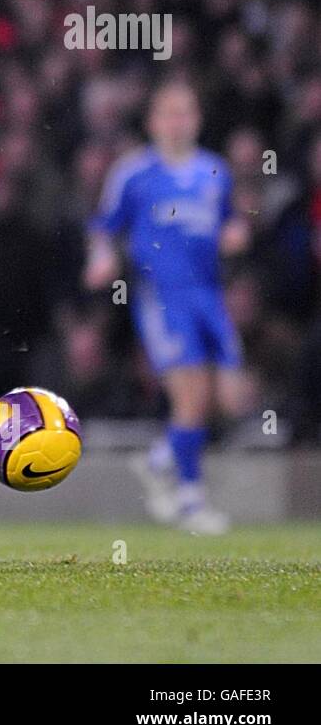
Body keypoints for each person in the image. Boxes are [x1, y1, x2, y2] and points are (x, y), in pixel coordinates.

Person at [84, 81, 251, 534]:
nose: (178, 123)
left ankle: (159, 460)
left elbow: (230, 221)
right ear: (153, 122)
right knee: (191, 395)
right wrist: (102, 258)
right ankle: (192, 500)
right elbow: (104, 225)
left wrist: (235, 234)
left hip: (209, 295)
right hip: (162, 297)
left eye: (186, 113)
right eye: (169, 114)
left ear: (196, 119)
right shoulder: (134, 173)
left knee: (229, 398)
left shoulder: (214, 171)